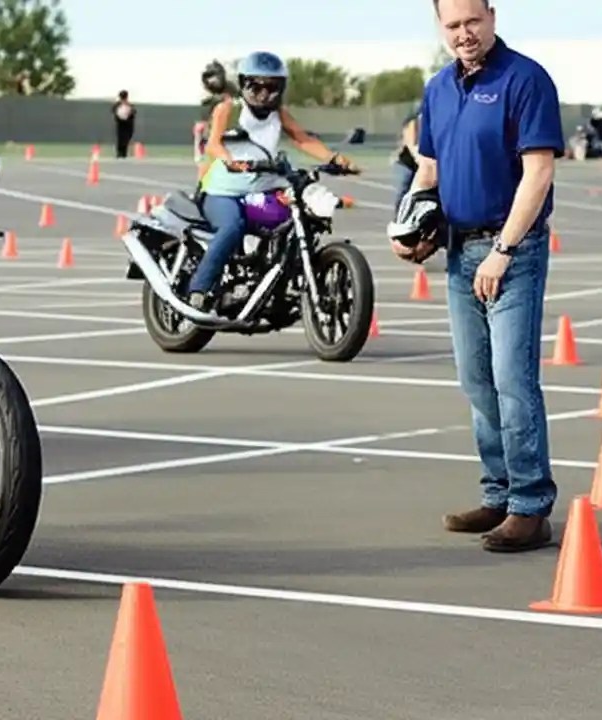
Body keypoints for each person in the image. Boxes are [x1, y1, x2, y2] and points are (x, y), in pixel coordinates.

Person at [392, 0, 562, 553]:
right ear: (438, 27)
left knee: (513, 380)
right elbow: (431, 168)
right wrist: (412, 222)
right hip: (459, 249)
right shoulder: (439, 88)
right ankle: (499, 493)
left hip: (512, 250)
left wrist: (504, 251)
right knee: (476, 380)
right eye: (453, 25)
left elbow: (538, 173)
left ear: (492, 16)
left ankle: (531, 507)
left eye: (473, 21)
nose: (465, 33)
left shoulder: (526, 79)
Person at [188, 50, 358, 312]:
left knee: (293, 217)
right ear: (244, 84)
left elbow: (302, 139)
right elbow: (213, 144)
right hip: (222, 191)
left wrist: (336, 158)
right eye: (257, 87)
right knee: (233, 226)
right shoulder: (229, 109)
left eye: (273, 87)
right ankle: (199, 290)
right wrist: (230, 160)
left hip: (264, 187)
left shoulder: (278, 114)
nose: (265, 94)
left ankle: (276, 278)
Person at [392, 106, 420, 212]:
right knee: (403, 191)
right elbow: (410, 142)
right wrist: (417, 156)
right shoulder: (413, 121)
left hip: (422, 164)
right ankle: (399, 216)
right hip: (408, 162)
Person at [113, 90, 135, 158]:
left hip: (128, 124)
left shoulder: (130, 105)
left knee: (127, 138)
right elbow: (114, 111)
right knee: (121, 138)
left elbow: (133, 113)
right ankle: (120, 152)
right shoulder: (117, 105)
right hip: (121, 124)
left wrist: (130, 112)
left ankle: (123, 152)